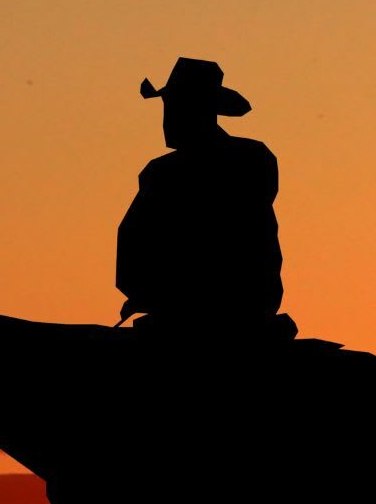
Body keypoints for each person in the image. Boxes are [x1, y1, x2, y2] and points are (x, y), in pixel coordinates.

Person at [116, 58, 298, 344]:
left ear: (198, 109)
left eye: (176, 106)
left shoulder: (165, 173)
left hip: (202, 309)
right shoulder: (253, 157)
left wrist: (147, 292)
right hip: (236, 304)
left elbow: (136, 238)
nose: (168, 117)